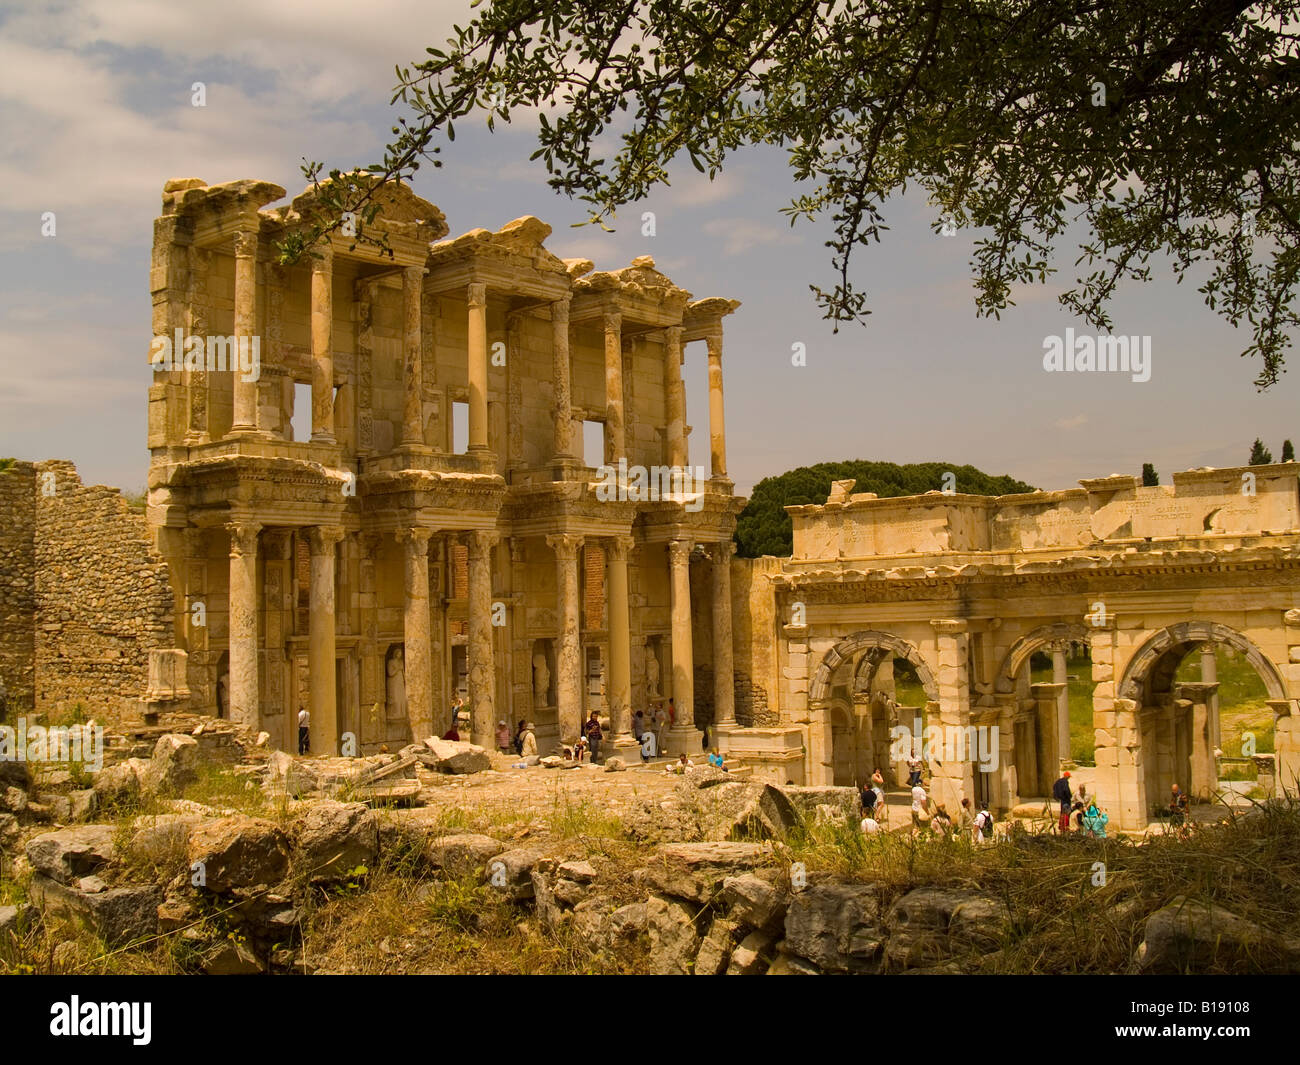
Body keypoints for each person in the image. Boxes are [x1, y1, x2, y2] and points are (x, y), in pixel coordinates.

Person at [1052, 770, 1073, 834]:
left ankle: (1061, 825)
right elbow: (1066, 789)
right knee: (1067, 812)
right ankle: (1066, 826)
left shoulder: (1058, 781)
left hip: (1061, 799)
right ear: (1067, 776)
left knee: (1062, 812)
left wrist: (1056, 796)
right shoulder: (1065, 781)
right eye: (1069, 777)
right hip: (1066, 799)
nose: (1069, 778)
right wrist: (1069, 796)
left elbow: (1054, 787)